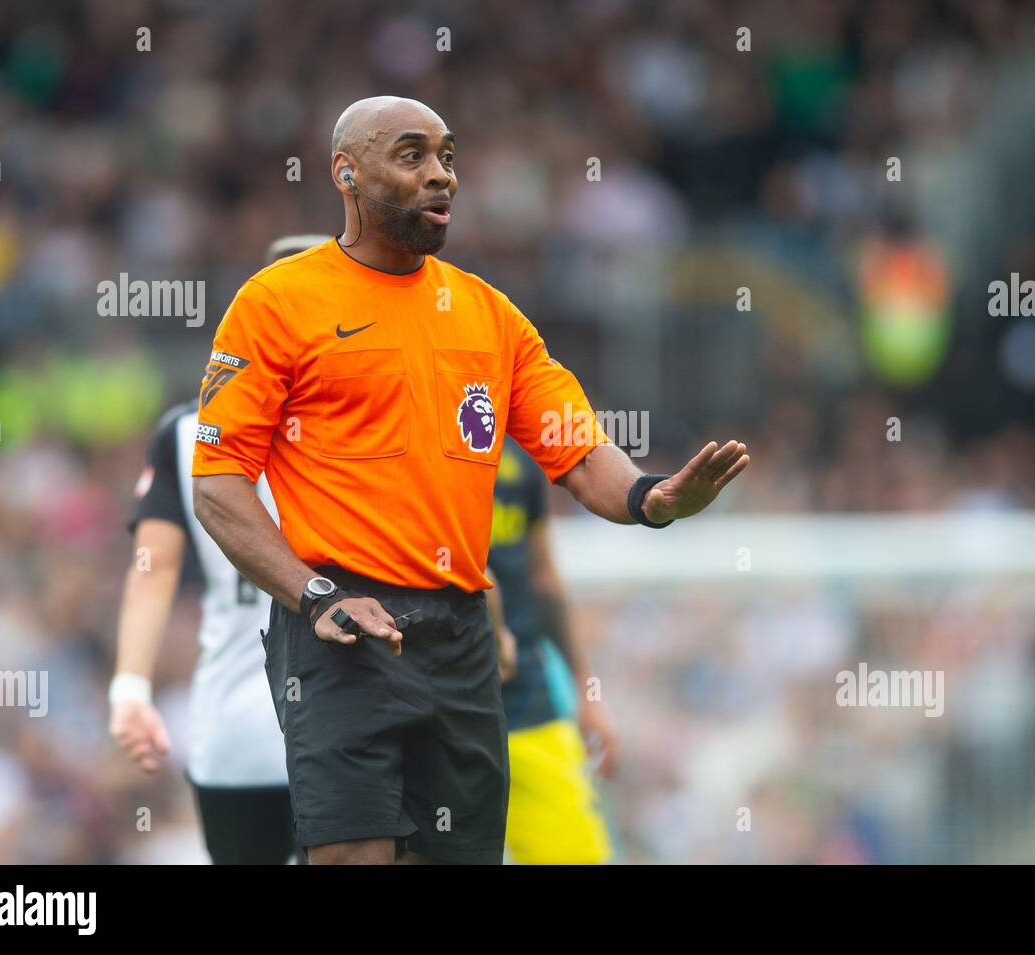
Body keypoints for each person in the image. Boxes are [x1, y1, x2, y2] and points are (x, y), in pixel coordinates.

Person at [191, 96, 749, 865]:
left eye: (449, 157)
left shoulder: (488, 314)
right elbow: (218, 485)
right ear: (345, 173)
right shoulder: (277, 302)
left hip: (460, 633)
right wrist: (315, 594)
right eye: (413, 155)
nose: (440, 175)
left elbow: (578, 451)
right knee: (351, 854)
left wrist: (648, 498)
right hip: (341, 626)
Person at [108, 235, 330, 864]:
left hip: (236, 729)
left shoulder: (185, 433)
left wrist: (129, 689)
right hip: (355, 722)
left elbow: (151, 573)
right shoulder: (372, 428)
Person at [490, 436, 617, 863]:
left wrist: (587, 691)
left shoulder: (518, 459)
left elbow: (542, 575)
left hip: (525, 697)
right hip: (429, 697)